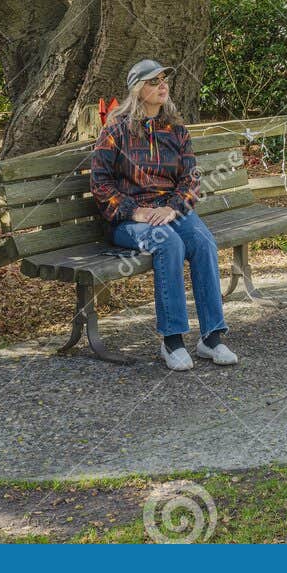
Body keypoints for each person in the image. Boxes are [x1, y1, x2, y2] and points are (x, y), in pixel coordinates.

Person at [89, 58, 237, 371]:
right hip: (127, 220)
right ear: (136, 89)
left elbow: (191, 179)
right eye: (154, 81)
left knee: (202, 241)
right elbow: (100, 184)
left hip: (170, 211)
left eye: (164, 80)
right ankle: (171, 341)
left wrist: (172, 208)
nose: (162, 86)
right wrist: (137, 211)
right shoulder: (115, 131)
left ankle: (211, 337)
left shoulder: (176, 131)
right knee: (168, 243)